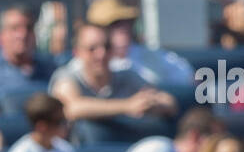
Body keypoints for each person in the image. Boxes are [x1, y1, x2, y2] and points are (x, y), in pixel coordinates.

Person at [49, 22, 177, 122]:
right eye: (92, 49)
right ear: (77, 52)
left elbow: (169, 102)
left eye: (107, 47)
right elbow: (72, 108)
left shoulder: (126, 75)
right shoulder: (67, 77)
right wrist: (127, 106)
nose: (101, 54)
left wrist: (148, 104)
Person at [85, 0, 195, 86]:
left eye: (127, 22)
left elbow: (188, 77)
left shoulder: (147, 53)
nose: (123, 29)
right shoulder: (88, 61)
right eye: (115, 24)